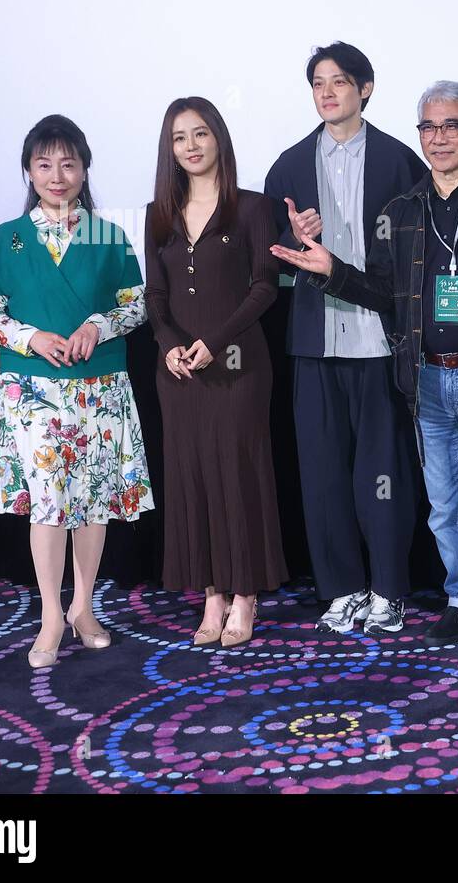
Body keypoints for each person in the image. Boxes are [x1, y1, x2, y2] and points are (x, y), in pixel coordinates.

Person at [272, 80, 458, 651]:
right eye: (428, 127)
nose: (439, 137)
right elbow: (382, 292)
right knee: (445, 504)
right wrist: (333, 270)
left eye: (452, 126)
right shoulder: (400, 211)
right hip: (425, 378)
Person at [0, 114, 152, 667]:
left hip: (99, 388)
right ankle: (51, 613)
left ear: (84, 169)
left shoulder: (108, 234)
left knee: (94, 503)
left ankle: (83, 608)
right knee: (47, 508)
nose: (57, 174)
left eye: (68, 163)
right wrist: (29, 338)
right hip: (33, 393)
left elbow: (137, 303)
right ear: (28, 170)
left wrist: (99, 325)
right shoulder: (8, 238)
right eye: (45, 163)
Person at [263, 43, 425, 635]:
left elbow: (415, 256)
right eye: (317, 83)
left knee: (383, 473)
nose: (327, 92)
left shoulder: (400, 161)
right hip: (315, 339)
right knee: (323, 472)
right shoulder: (286, 165)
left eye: (339, 81)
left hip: (378, 338)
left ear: (366, 87)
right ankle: (341, 588)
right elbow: (271, 250)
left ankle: (388, 587)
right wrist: (291, 232)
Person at [145, 97, 286, 649]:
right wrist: (169, 346)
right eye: (180, 138)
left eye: (201, 134)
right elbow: (156, 297)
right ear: (170, 150)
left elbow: (265, 286)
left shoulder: (252, 208)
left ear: (219, 139)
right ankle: (212, 595)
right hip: (178, 374)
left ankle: (245, 594)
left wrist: (214, 342)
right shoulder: (158, 214)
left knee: (239, 474)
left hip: (238, 366)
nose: (191, 146)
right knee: (194, 479)